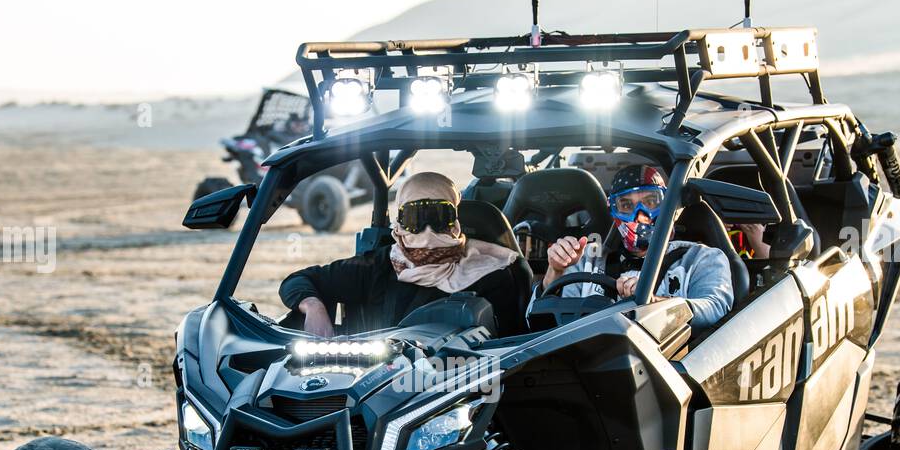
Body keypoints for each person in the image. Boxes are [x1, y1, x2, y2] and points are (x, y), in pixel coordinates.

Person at [280, 172, 530, 337]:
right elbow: (298, 280)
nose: (428, 231)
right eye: (415, 219)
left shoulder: (492, 271)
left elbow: (511, 342)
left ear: (454, 220)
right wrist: (313, 306)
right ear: (399, 223)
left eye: (439, 217)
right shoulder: (379, 265)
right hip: (381, 385)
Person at [537, 164, 735, 329]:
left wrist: (654, 302)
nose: (640, 215)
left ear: (666, 205)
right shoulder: (585, 258)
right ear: (614, 212)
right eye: (626, 205)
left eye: (650, 202)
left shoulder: (702, 257)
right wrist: (555, 271)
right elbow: (547, 324)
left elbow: (714, 308)